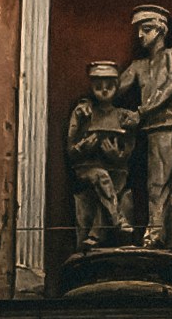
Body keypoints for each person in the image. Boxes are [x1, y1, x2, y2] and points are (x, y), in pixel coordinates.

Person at [118, 5, 172, 253]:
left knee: (159, 182)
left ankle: (155, 236)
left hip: (167, 126)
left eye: (145, 30)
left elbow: (170, 88)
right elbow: (116, 88)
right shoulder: (139, 66)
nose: (140, 36)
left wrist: (141, 112)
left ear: (159, 30)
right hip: (153, 129)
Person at [65, 61, 137, 254]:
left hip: (117, 171)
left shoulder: (123, 116)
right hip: (87, 169)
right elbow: (71, 150)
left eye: (109, 86)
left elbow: (129, 152)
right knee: (102, 177)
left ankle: (95, 235)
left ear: (116, 87)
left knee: (115, 181)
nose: (104, 91)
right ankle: (117, 220)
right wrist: (85, 146)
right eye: (98, 86)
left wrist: (116, 155)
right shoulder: (83, 113)